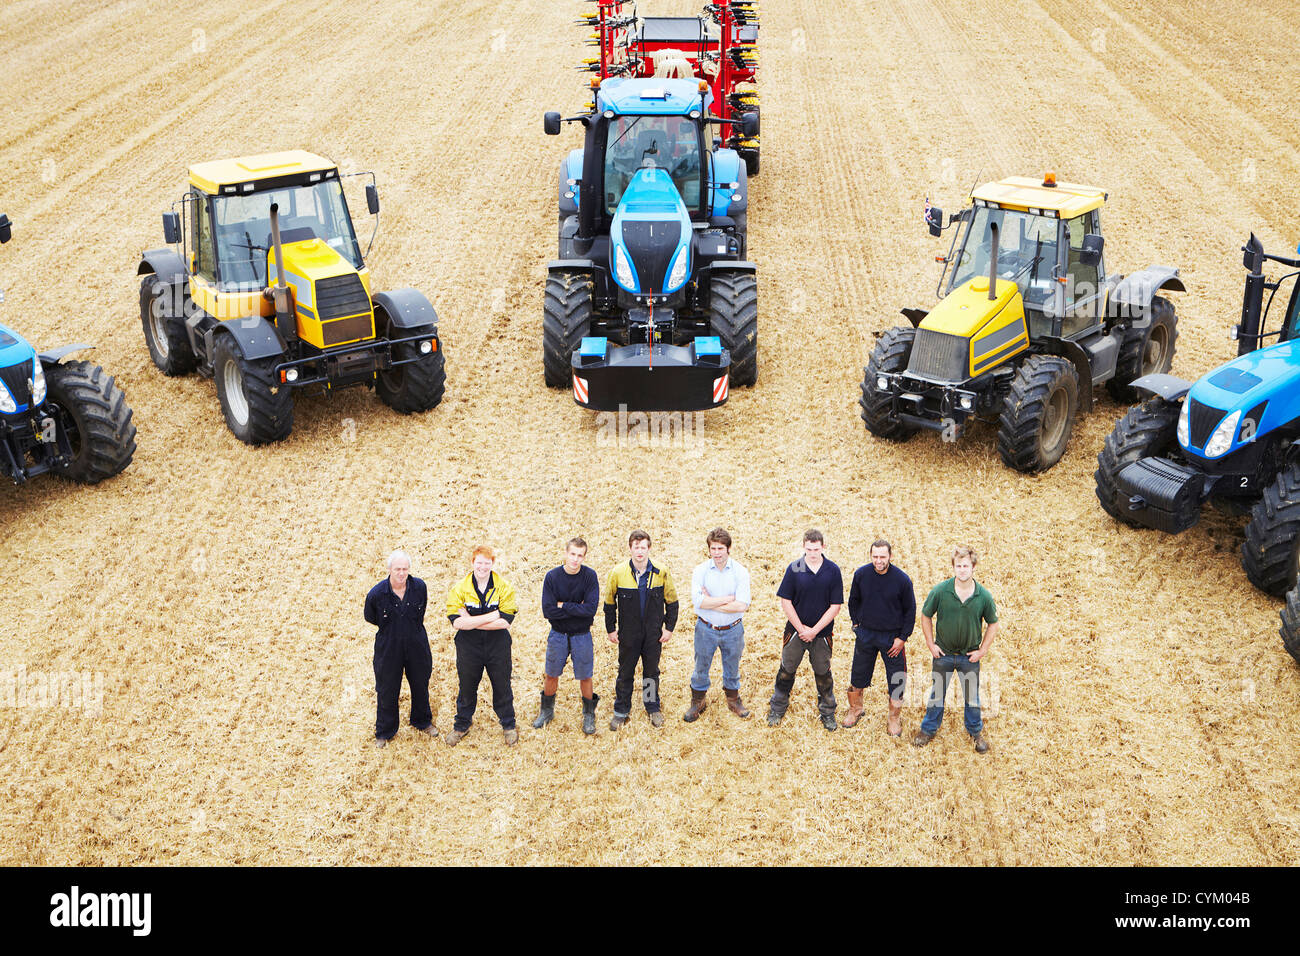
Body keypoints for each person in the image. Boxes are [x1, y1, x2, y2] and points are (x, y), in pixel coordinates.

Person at [912, 545, 999, 753]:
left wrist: (982, 650)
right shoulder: (941, 591)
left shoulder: (983, 596)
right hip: (943, 655)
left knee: (972, 696)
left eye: (966, 566)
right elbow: (925, 615)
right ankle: (928, 729)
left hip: (969, 657)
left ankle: (975, 732)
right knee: (937, 693)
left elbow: (993, 623)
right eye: (958, 565)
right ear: (953, 567)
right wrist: (930, 643)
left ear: (973, 567)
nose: (962, 570)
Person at [767, 529, 843, 731]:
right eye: (808, 549)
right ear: (803, 547)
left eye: (816, 549)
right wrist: (801, 629)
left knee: (823, 674)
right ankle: (778, 707)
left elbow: (835, 606)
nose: (812, 553)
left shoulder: (833, 571)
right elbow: (786, 601)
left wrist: (814, 631)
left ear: (823, 547)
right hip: (795, 632)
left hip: (822, 635)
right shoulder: (794, 569)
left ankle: (827, 712)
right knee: (786, 670)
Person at [444, 546, 520, 746]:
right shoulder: (459, 588)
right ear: (472, 563)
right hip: (468, 646)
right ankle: (462, 725)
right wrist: (493, 615)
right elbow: (456, 623)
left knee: (502, 685)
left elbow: (506, 622)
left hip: (498, 644)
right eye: (479, 562)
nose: (483, 567)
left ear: (492, 564)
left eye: (487, 563)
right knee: (467, 686)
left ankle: (508, 725)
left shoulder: (504, 587)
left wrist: (471, 620)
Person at [605, 530, 679, 730]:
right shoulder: (617, 573)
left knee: (651, 672)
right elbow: (609, 603)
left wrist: (669, 628)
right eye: (636, 547)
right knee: (625, 672)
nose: (640, 551)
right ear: (630, 548)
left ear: (649, 548)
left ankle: (652, 707)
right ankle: (621, 710)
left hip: (653, 635)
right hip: (628, 634)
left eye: (643, 547)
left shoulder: (661, 571)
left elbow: (672, 602)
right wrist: (611, 629)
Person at [363, 550, 436, 748]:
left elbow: (422, 610)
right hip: (389, 647)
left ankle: (422, 721)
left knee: (420, 683)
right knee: (387, 688)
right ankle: (385, 731)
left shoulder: (419, 587)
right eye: (397, 569)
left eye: (405, 569)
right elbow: (370, 617)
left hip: (416, 644)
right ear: (389, 570)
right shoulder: (377, 594)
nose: (401, 573)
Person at [844, 539, 916, 735]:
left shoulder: (902, 580)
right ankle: (856, 709)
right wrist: (857, 625)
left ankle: (894, 718)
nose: (878, 560)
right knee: (858, 675)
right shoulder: (861, 575)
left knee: (897, 679)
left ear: (890, 557)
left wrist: (902, 638)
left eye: (882, 557)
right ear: (871, 556)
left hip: (892, 639)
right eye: (875, 556)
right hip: (866, 634)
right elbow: (853, 602)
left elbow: (910, 611)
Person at [535, 537, 602, 734]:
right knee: (551, 673)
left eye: (580, 555)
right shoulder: (552, 577)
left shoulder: (590, 576)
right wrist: (576, 608)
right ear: (566, 553)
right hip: (558, 634)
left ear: (584, 557)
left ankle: (589, 714)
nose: (575, 559)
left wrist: (563, 605)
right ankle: (547, 711)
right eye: (572, 554)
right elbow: (548, 610)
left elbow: (590, 609)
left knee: (585, 676)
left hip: (582, 634)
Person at [686, 528, 752, 721]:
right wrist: (727, 600)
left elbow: (742, 604)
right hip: (706, 628)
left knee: (732, 664)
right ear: (709, 549)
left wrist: (712, 602)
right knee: (701, 666)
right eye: (713, 548)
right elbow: (698, 602)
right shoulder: (700, 570)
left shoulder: (740, 572)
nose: (716, 552)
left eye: (720, 548)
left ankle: (733, 700)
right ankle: (698, 700)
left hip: (733, 629)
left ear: (728, 548)